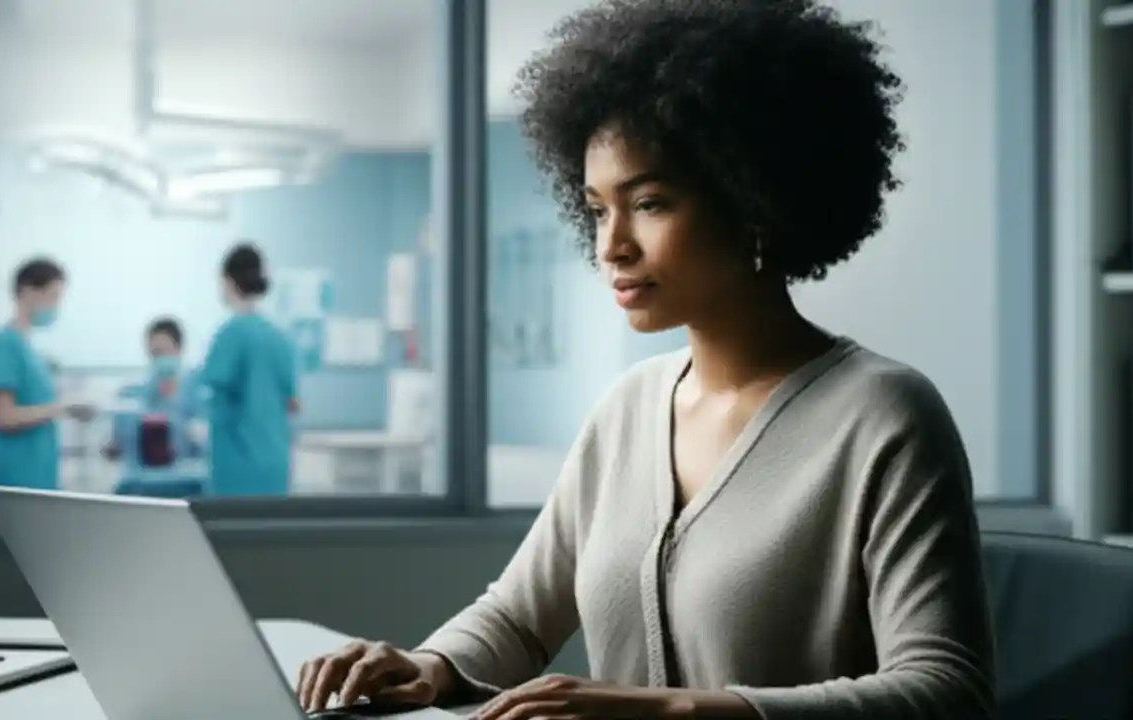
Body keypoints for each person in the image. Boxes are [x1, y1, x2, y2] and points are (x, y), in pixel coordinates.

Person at [298, 1, 996, 719]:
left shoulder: (884, 415)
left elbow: (946, 691)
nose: (612, 247)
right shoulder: (629, 406)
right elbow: (517, 615)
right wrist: (427, 666)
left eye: (651, 203)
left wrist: (675, 711)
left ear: (755, 200)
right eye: (599, 209)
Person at [0, 258, 92, 489]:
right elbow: (5, 417)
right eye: (53, 296)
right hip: (16, 478)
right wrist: (63, 407)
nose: (56, 306)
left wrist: (69, 407)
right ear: (27, 292)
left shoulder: (28, 350)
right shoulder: (3, 347)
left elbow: (36, 406)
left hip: (37, 476)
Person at [202, 243, 297, 496]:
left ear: (228, 281)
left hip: (238, 467)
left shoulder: (231, 334)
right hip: (276, 464)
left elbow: (213, 393)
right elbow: (292, 402)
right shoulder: (280, 338)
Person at [105, 317, 208, 495]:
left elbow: (206, 445)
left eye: (163, 352)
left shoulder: (197, 393)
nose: (158, 359)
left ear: (179, 350)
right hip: (140, 485)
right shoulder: (131, 396)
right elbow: (115, 447)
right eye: (153, 353)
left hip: (187, 485)